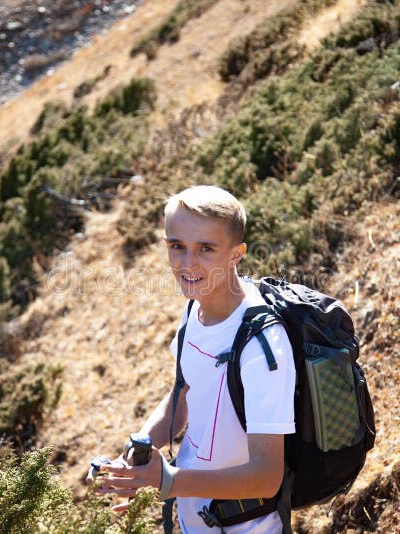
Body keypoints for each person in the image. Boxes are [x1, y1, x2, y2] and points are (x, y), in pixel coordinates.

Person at [87, 185, 296, 533]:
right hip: (194, 518)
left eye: (206, 249)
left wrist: (168, 480)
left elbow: (265, 477)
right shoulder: (194, 309)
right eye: (176, 246)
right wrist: (131, 460)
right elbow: (181, 400)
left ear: (236, 254)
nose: (187, 263)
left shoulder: (262, 344)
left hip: (248, 526)